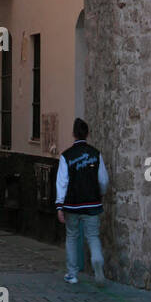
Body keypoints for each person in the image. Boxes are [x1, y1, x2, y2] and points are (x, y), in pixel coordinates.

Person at [55, 117, 109, 286]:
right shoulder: (95, 154)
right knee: (93, 236)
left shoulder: (66, 156)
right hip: (92, 203)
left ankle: (72, 273)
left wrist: (59, 205)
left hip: (72, 203)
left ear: (73, 134)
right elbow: (103, 180)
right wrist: (101, 193)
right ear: (88, 134)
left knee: (72, 236)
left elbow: (62, 183)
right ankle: (97, 259)